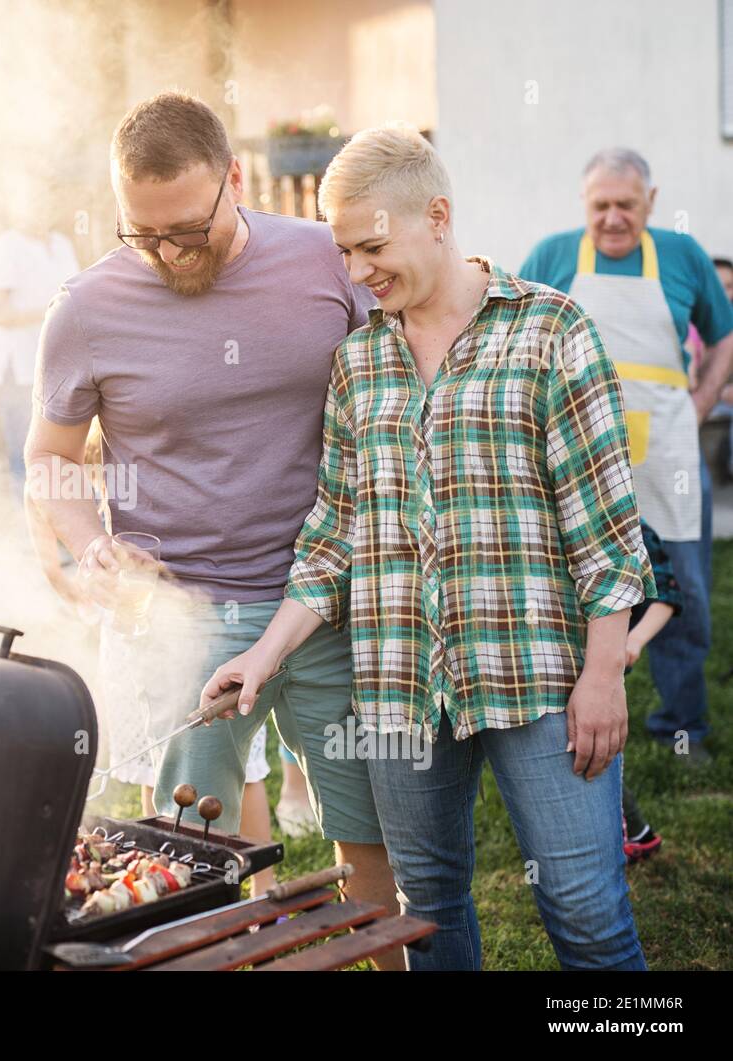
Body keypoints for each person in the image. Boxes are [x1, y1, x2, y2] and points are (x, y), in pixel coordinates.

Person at [204, 123, 655, 970]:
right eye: (344, 252)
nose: (358, 272)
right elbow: (332, 537)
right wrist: (262, 655)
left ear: (437, 216)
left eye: (372, 246)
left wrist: (602, 676)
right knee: (428, 909)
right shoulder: (359, 365)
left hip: (541, 678)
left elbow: (606, 538)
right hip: (400, 687)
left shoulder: (550, 332)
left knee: (585, 910)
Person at [24, 92, 402, 965]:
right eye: (142, 235)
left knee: (368, 839)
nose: (169, 254)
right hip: (179, 620)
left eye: (187, 229)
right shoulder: (84, 307)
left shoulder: (325, 261)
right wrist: (91, 547)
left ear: (237, 178)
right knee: (186, 856)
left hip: (327, 601)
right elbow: (50, 456)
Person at [521, 150, 733, 764]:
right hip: (576, 451)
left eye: (627, 205)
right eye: (600, 206)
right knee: (568, 583)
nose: (613, 218)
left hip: (667, 447)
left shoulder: (684, 256)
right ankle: (560, 712)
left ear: (652, 201)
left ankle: (680, 725)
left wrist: (700, 402)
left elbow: (723, 339)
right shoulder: (552, 256)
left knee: (682, 585)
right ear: (584, 203)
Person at [0, 190, 79, 496]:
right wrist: (52, 310)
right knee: (27, 460)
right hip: (20, 371)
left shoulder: (62, 244)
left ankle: (61, 533)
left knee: (62, 460)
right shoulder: (4, 249)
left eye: (45, 199)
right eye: (32, 199)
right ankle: (27, 538)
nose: (40, 207)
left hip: (61, 369)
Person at [621, 520, 683, 863]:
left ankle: (628, 835)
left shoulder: (633, 526)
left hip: (603, 672)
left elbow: (668, 595)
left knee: (596, 756)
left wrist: (634, 640)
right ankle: (638, 832)